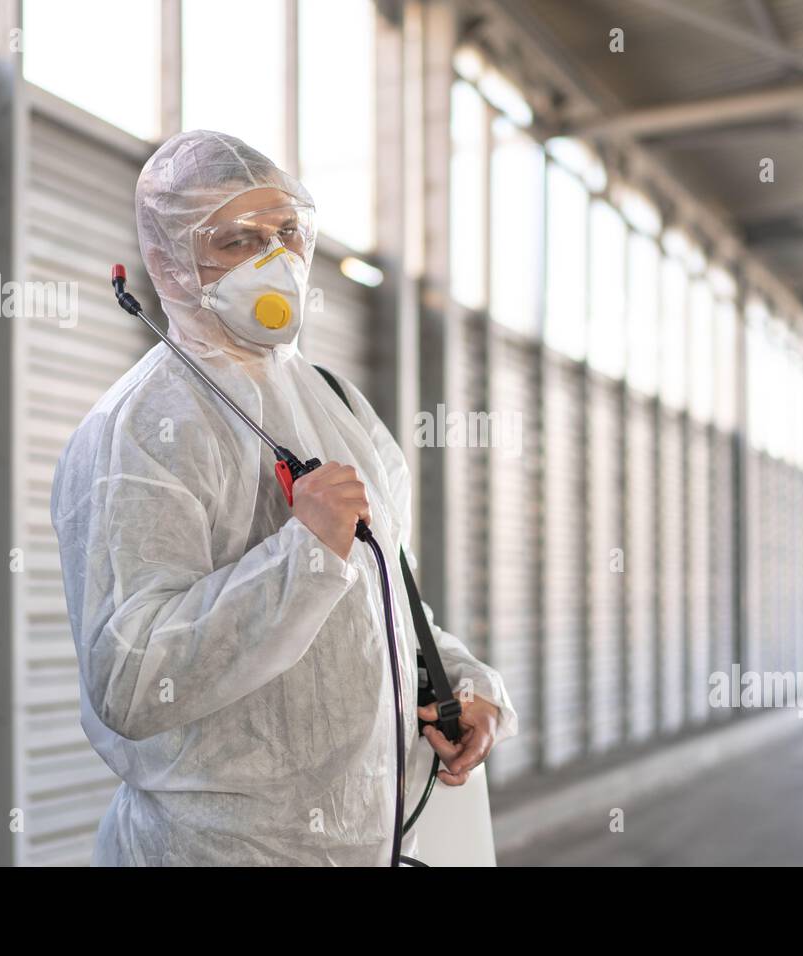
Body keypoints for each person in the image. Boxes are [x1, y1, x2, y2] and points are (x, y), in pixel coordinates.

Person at [50, 130, 517, 866]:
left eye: (288, 232)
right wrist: (302, 553)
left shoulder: (338, 403)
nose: (276, 259)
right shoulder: (138, 430)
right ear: (171, 262)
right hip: (222, 851)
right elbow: (133, 679)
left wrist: (463, 686)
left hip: (373, 838)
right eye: (237, 239)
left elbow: (388, 600)